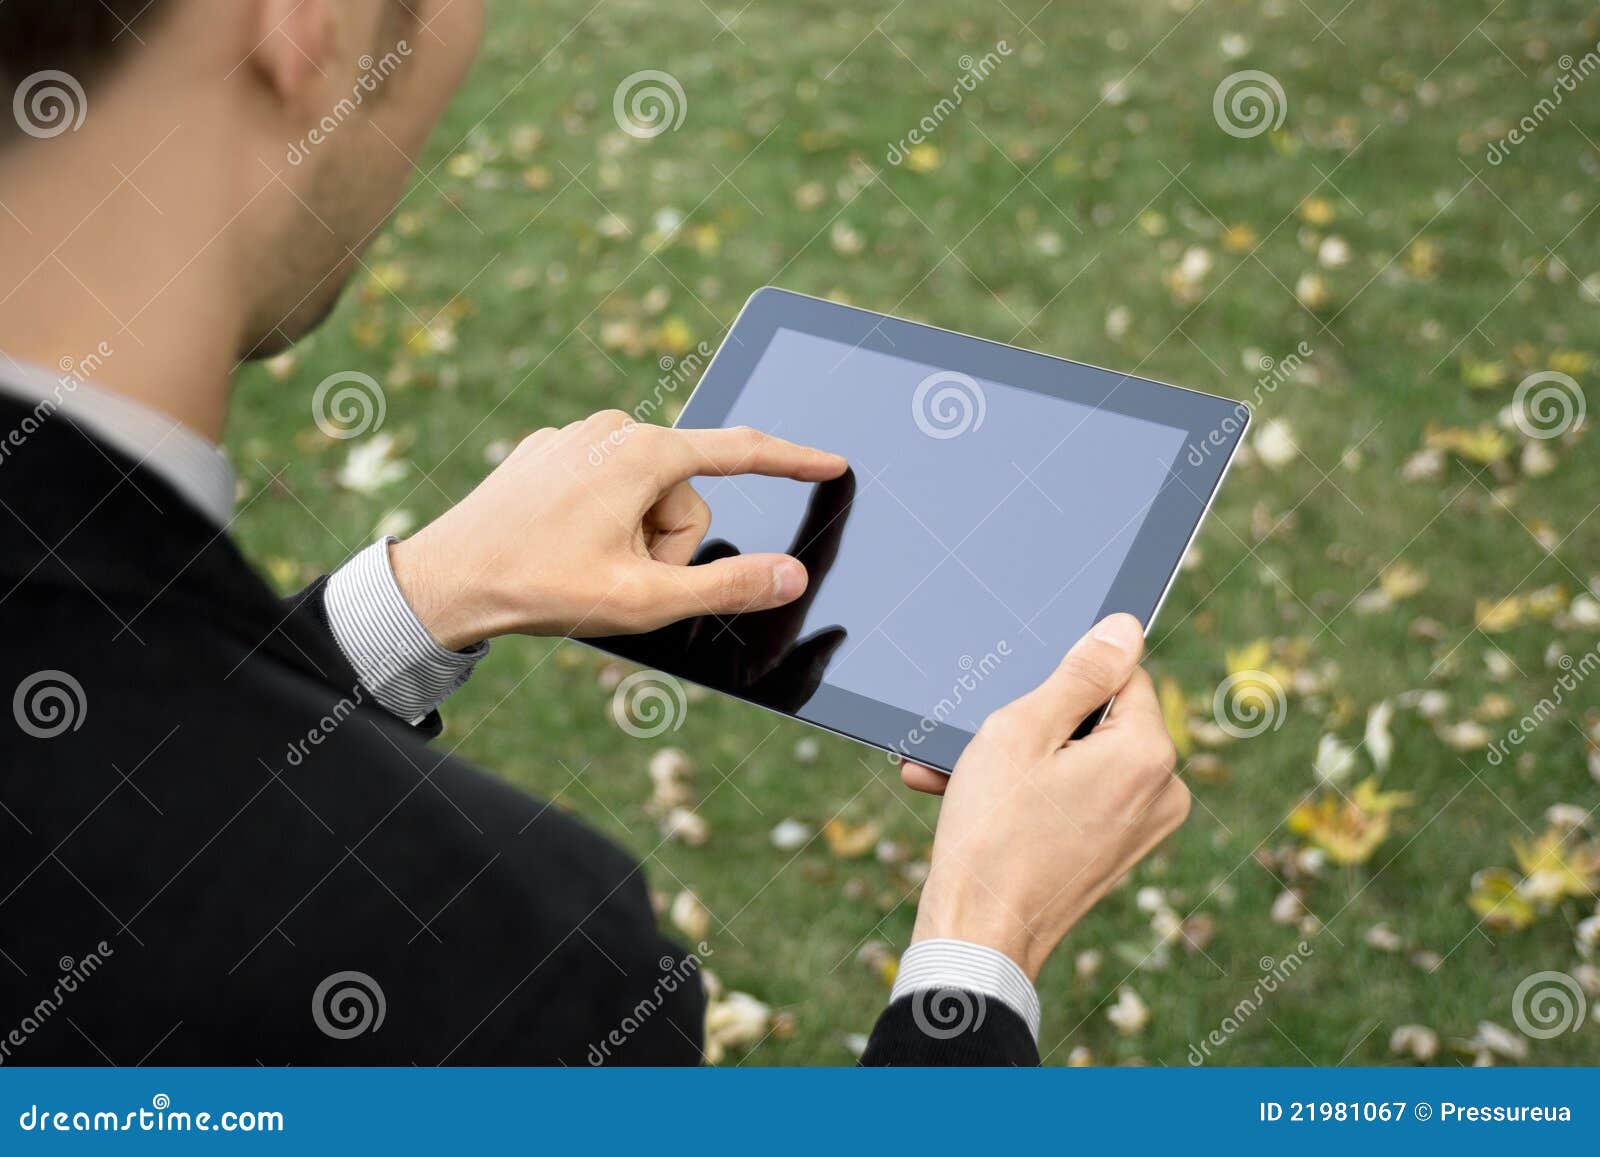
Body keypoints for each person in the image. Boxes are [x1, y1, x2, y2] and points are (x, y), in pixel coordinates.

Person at [0, 0, 1188, 1065]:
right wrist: (980, 946)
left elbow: (128, 783)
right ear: (305, 24)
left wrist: (409, 604)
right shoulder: (495, 972)